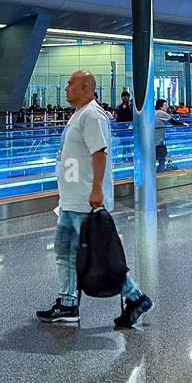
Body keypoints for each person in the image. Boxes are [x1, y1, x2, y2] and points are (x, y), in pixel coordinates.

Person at [36, 71, 153, 329]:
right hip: (72, 200)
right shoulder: (80, 114)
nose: (66, 88)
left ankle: (135, 298)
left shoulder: (92, 115)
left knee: (97, 256)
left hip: (85, 202)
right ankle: (67, 304)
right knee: (67, 252)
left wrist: (96, 190)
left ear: (86, 88)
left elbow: (99, 153)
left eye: (70, 84)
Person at [154, 98, 184, 169]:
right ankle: (160, 173)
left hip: (153, 141)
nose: (167, 107)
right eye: (165, 105)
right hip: (158, 142)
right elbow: (174, 122)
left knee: (155, 159)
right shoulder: (161, 113)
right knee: (162, 160)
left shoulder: (154, 112)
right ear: (160, 106)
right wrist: (184, 124)